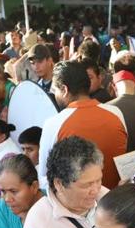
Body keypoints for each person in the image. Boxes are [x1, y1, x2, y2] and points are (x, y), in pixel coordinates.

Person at [39, 59, 128, 189]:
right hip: (114, 200)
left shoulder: (53, 124)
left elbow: (44, 177)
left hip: (78, 205)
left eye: (54, 90)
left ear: (64, 89)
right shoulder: (116, 113)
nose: (54, 95)